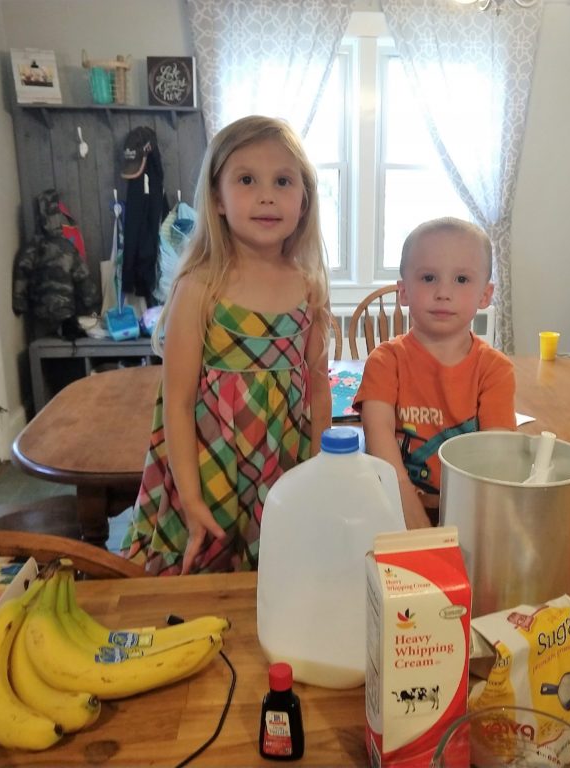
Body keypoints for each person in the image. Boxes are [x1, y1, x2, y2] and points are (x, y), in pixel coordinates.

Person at [122, 115, 332, 575]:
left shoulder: (310, 287)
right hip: (206, 473)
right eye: (246, 180)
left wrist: (320, 476)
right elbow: (176, 404)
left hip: (284, 472)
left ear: (304, 199)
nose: (266, 195)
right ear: (217, 198)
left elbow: (319, 393)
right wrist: (192, 498)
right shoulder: (200, 287)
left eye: (282, 181)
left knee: (278, 580)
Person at [353, 217, 516, 529]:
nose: (443, 292)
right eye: (428, 278)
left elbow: (495, 461)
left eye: (462, 280)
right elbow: (379, 443)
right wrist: (413, 519)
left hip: (472, 515)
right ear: (403, 291)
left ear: (485, 295)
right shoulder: (385, 361)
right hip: (393, 509)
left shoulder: (496, 371)